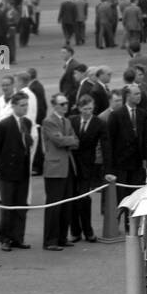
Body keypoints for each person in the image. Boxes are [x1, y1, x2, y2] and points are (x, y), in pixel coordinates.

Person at [0, 92, 34, 251]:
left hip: (23, 171)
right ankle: (5, 238)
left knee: (21, 206)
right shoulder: (4, 125)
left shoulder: (27, 123)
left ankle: (18, 237)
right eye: (22, 105)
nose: (25, 108)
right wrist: (3, 167)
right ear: (14, 106)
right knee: (8, 206)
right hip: (8, 172)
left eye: (26, 105)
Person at [40, 93, 79, 250]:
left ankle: (62, 237)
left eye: (66, 103)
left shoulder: (67, 121)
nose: (65, 106)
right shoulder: (49, 122)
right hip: (55, 169)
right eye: (62, 104)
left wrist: (67, 140)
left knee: (66, 205)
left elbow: (76, 141)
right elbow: (59, 141)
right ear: (54, 106)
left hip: (68, 167)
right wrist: (68, 140)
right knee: (54, 206)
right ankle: (50, 240)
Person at [68, 94, 103, 243]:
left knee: (84, 198)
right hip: (72, 166)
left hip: (88, 167)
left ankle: (88, 231)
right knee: (72, 198)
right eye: (85, 109)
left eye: (90, 108)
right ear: (79, 108)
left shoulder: (98, 123)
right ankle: (75, 231)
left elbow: (105, 145)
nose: (88, 111)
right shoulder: (72, 121)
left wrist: (107, 168)